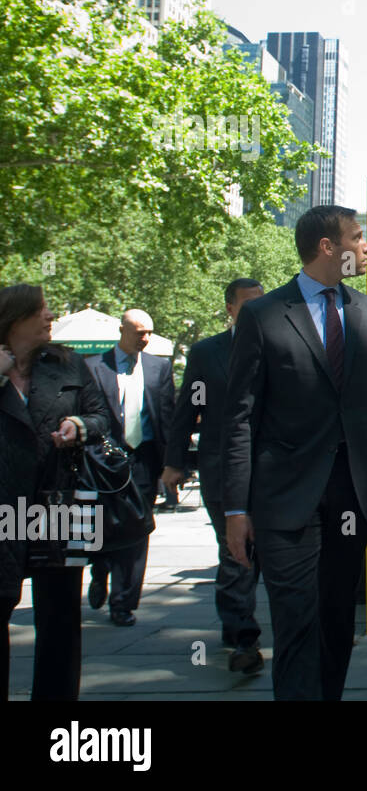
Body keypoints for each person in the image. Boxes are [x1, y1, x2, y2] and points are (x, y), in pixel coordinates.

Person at [222, 205, 367, 700]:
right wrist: (236, 508)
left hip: (354, 494)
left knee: (335, 619)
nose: (366, 246)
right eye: (358, 237)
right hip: (284, 498)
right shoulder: (263, 316)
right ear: (329, 248)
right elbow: (239, 417)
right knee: (296, 619)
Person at [0, 284, 111, 701]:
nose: (50, 317)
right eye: (42, 311)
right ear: (16, 319)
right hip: (4, 504)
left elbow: (102, 417)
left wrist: (81, 427)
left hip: (59, 500)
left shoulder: (66, 363)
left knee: (61, 616)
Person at [164, 277, 266, 674]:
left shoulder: (275, 346)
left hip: (270, 467)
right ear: (229, 308)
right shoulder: (207, 354)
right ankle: (244, 637)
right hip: (221, 466)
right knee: (235, 549)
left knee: (261, 553)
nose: (257, 310)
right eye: (247, 304)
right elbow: (188, 408)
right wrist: (174, 462)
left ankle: (238, 623)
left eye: (262, 302)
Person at [86, 308, 174, 628]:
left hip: (144, 461)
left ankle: (123, 602)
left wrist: (172, 465)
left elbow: (168, 416)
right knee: (104, 526)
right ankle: (99, 570)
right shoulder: (94, 367)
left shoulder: (159, 368)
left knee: (138, 528)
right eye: (139, 333)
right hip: (104, 463)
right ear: (122, 330)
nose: (145, 338)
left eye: (149, 332)